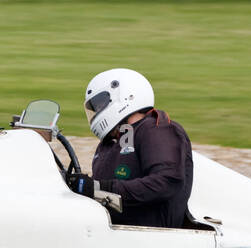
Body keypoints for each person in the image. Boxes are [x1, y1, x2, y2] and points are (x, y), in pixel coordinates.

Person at [66, 68, 194, 228]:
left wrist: (100, 188)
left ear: (126, 96)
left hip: (150, 237)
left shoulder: (156, 129)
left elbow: (167, 182)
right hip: (111, 232)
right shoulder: (111, 142)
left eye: (100, 105)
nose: (97, 111)